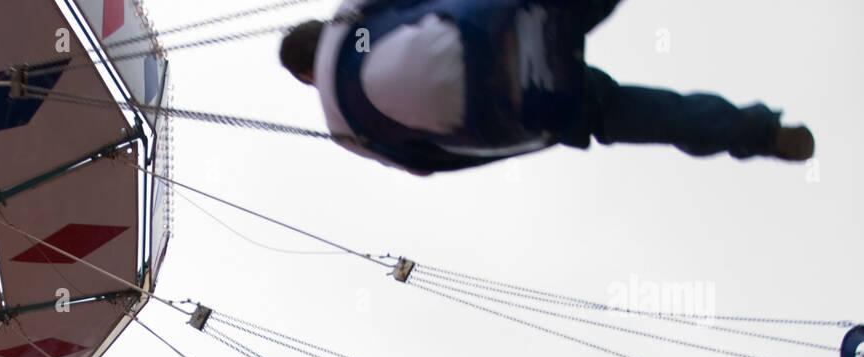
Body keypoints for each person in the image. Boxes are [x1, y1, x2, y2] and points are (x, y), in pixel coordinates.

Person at [278, 0, 815, 177]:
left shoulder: (346, 129)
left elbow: (429, 163)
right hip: (503, 27)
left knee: (637, 114)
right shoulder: (355, 26)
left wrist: (538, 134)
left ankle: (760, 134)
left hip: (517, 107)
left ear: (305, 77)